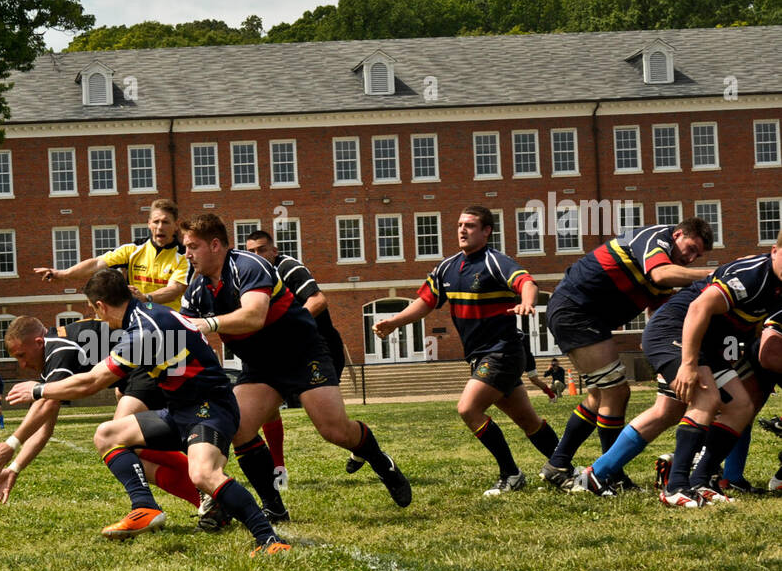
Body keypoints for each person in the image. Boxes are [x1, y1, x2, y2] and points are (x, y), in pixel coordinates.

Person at [5, 270, 289, 557]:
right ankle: (145, 507)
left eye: (94, 310)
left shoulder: (142, 330)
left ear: (101, 306)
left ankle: (268, 539)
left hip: (208, 408)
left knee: (204, 474)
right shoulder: (147, 314)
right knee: (107, 434)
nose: (98, 317)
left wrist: (38, 390)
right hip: (178, 411)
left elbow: (92, 382)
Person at [179, 212, 411, 519]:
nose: (187, 254)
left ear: (216, 245)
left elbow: (253, 316)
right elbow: (184, 334)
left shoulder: (249, 265)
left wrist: (205, 324)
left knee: (335, 430)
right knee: (240, 428)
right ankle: (274, 508)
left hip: (302, 354)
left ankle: (381, 462)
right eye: (185, 247)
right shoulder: (196, 289)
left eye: (192, 246)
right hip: (260, 366)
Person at [371, 206, 559, 496]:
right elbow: (425, 302)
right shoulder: (447, 267)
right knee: (528, 420)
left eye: (470, 226)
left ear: (486, 231)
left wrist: (528, 301)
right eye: (460, 225)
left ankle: (510, 473)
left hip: (502, 351)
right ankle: (564, 467)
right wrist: (395, 321)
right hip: (481, 355)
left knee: (468, 409)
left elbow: (527, 282)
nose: (462, 230)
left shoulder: (496, 262)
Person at [577, 241, 782, 506]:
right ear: (775, 250)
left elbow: (750, 324)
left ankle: (598, 475)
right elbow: (698, 309)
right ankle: (676, 487)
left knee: (735, 407)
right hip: (674, 331)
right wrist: (687, 364)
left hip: (706, 343)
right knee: (705, 400)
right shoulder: (752, 274)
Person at [540, 218, 715, 490]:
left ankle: (558, 463)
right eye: (690, 249)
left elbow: (660, 313)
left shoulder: (670, 268)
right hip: (576, 310)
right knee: (616, 392)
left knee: (599, 395)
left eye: (697, 256)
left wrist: (665, 352)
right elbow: (659, 274)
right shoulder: (656, 239)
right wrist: (711, 274)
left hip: (584, 316)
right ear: (678, 234)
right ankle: (609, 474)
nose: (691, 258)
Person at [0, 316, 202, 513]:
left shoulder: (59, 349)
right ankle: (203, 492)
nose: (23, 364)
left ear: (38, 342)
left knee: (117, 440)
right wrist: (14, 468)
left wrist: (11, 444)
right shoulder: (52, 354)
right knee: (130, 445)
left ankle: (164, 503)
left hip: (155, 365)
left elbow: (46, 405)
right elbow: (45, 427)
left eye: (22, 355)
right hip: (144, 370)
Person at [33, 198, 189, 421]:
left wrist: (147, 297)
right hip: (137, 330)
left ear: (176, 225)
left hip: (170, 333)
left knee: (169, 398)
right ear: (148, 223)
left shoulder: (183, 257)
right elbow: (97, 263)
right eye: (156, 221)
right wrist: (62, 274)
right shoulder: (134, 250)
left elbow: (175, 289)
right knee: (122, 390)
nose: (160, 227)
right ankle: (136, 434)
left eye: (166, 222)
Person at [243, 229, 347, 488]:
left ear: (274, 251)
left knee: (332, 425)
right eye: (252, 251)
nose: (258, 256)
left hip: (318, 347)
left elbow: (318, 300)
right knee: (265, 410)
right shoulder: (247, 276)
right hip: (278, 352)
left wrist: (288, 329)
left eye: (263, 250)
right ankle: (279, 469)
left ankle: (362, 449)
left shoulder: (287, 266)